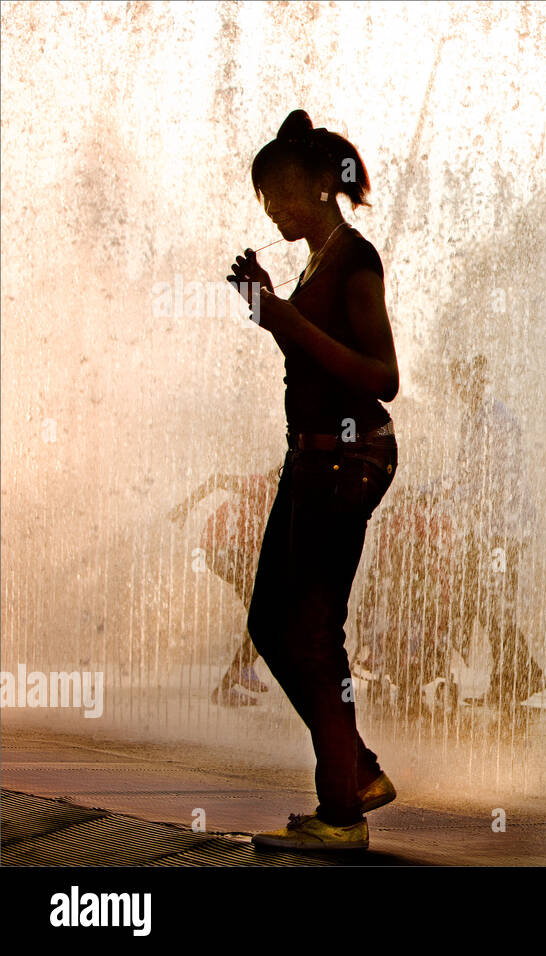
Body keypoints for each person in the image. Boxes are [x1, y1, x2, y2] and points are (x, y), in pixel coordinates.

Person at [227, 109, 400, 851]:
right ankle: (353, 765)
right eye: (266, 204)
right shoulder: (317, 261)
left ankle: (341, 812)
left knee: (311, 632)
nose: (274, 213)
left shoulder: (354, 261)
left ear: (321, 187)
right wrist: (274, 310)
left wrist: (284, 323)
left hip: (347, 460)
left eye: (280, 198)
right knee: (271, 623)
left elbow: (383, 377)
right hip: (313, 458)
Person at [436, 354, 546, 709]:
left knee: (492, 603)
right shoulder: (477, 417)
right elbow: (469, 476)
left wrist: (448, 493)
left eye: (463, 380)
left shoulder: (495, 419)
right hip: (489, 528)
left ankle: (518, 675)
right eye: (456, 381)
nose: (458, 388)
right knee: (481, 600)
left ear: (475, 380)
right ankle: (511, 678)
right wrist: (437, 491)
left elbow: (493, 481)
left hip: (504, 531)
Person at [169, 464, 280, 706]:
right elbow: (217, 478)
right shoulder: (263, 486)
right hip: (226, 551)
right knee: (267, 619)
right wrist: (186, 506)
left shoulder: (271, 499)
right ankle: (240, 671)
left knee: (265, 620)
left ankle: (226, 689)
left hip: (228, 553)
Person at [354, 485, 459, 719]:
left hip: (402, 597)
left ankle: (404, 682)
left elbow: (378, 567)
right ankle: (411, 683)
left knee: (400, 635)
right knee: (417, 637)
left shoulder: (395, 524)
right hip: (420, 598)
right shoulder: (431, 527)